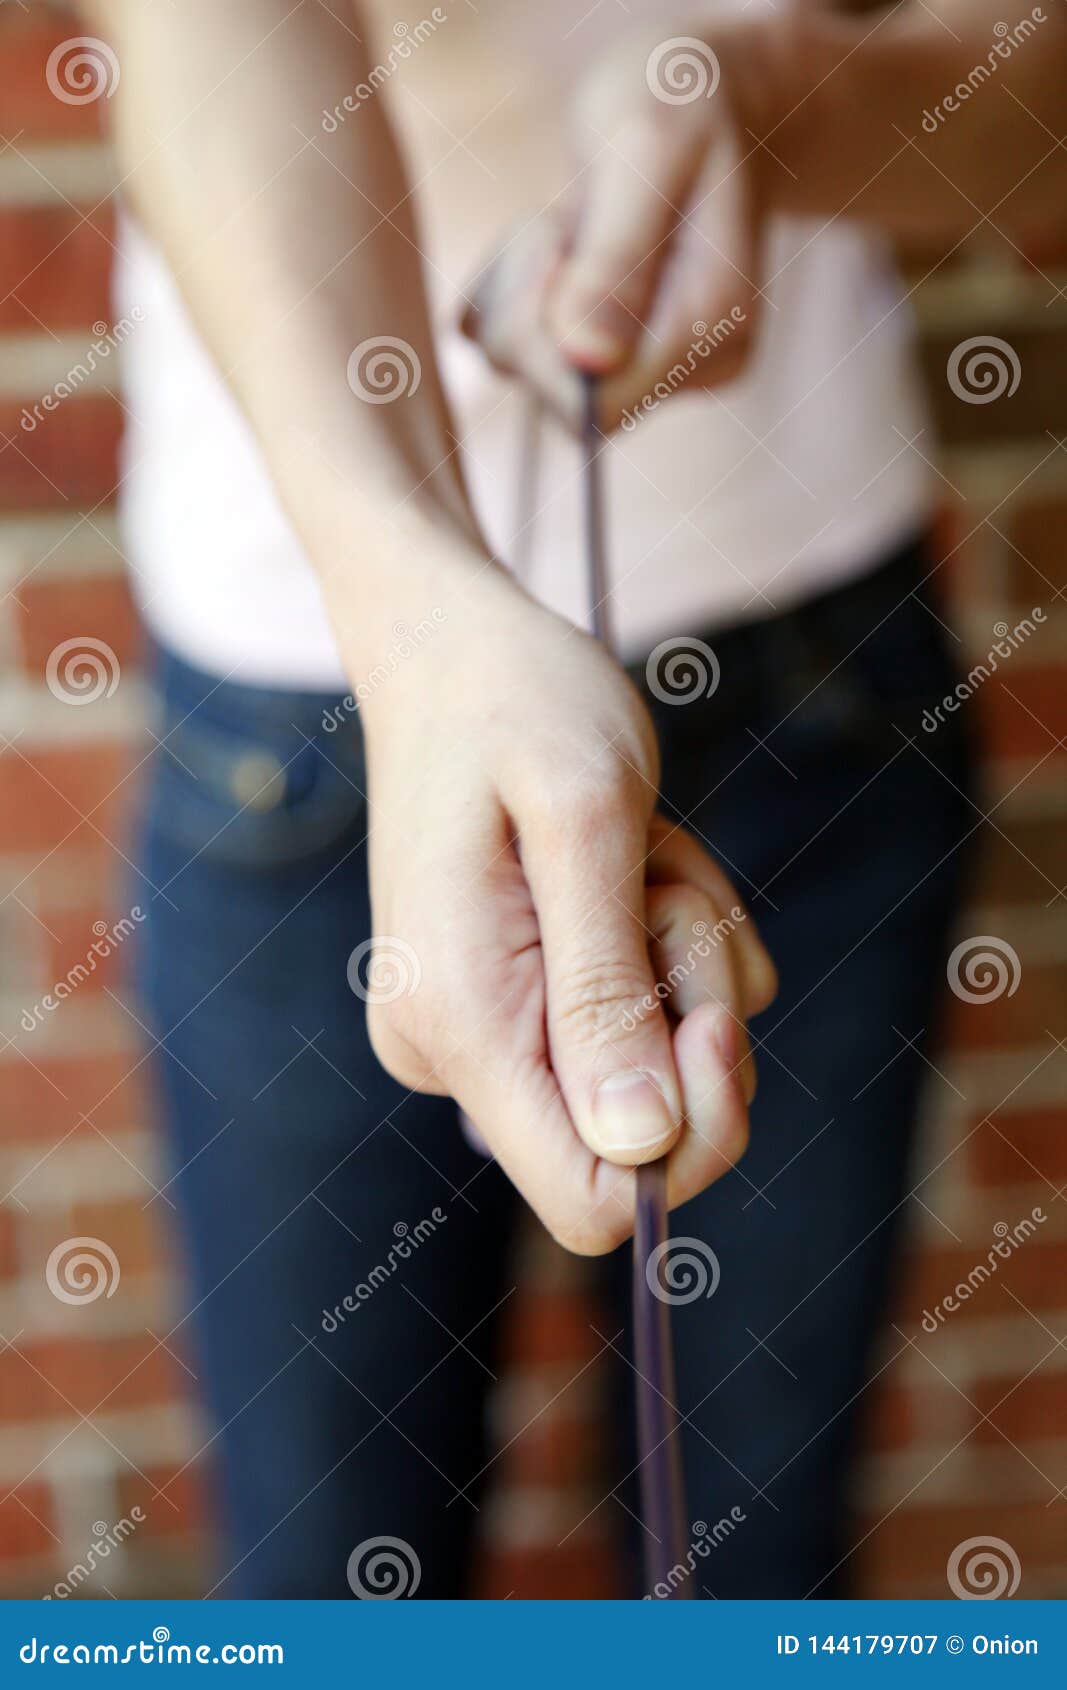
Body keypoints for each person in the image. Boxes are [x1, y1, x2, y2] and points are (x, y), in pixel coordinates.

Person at [84, 0, 1064, 1597]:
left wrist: (766, 109)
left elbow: (1037, 101)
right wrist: (410, 610)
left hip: (822, 668)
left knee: (756, 1571)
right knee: (335, 1584)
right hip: (300, 686)